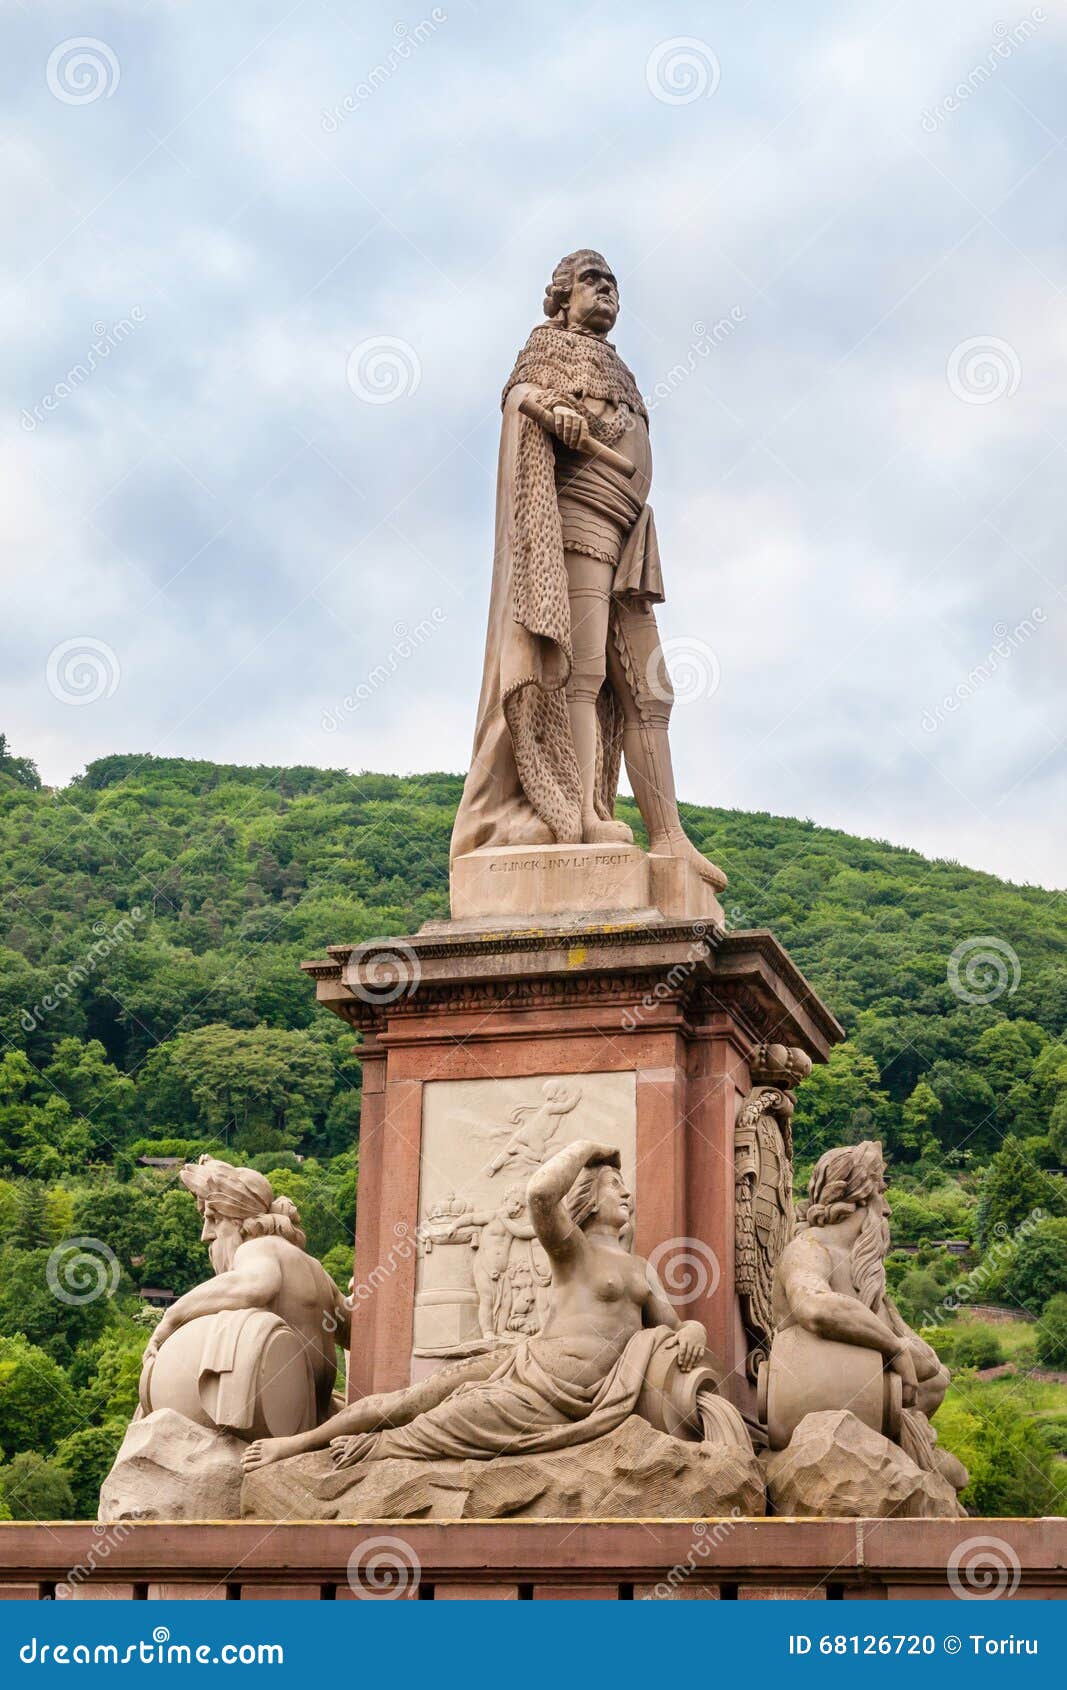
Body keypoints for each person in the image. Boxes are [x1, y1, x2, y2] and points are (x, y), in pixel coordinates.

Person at [451, 248, 725, 893]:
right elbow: (520, 397)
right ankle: (578, 815)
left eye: (614, 285)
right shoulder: (544, 347)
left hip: (630, 529)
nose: (606, 293)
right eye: (593, 282)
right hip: (579, 519)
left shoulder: (617, 367)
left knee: (651, 689)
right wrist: (555, 412)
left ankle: (669, 836)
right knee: (582, 668)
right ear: (562, 295)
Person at [243, 1138, 717, 1471]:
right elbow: (541, 1194)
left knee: (450, 1418)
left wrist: (693, 1332)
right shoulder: (573, 1249)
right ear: (590, 1198)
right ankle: (296, 1445)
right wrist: (588, 1149)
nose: (628, 1193)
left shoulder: (640, 1268)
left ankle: (382, 1447)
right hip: (535, 1368)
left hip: (574, 1394)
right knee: (414, 1398)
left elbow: (672, 1329)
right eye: (615, 1184)